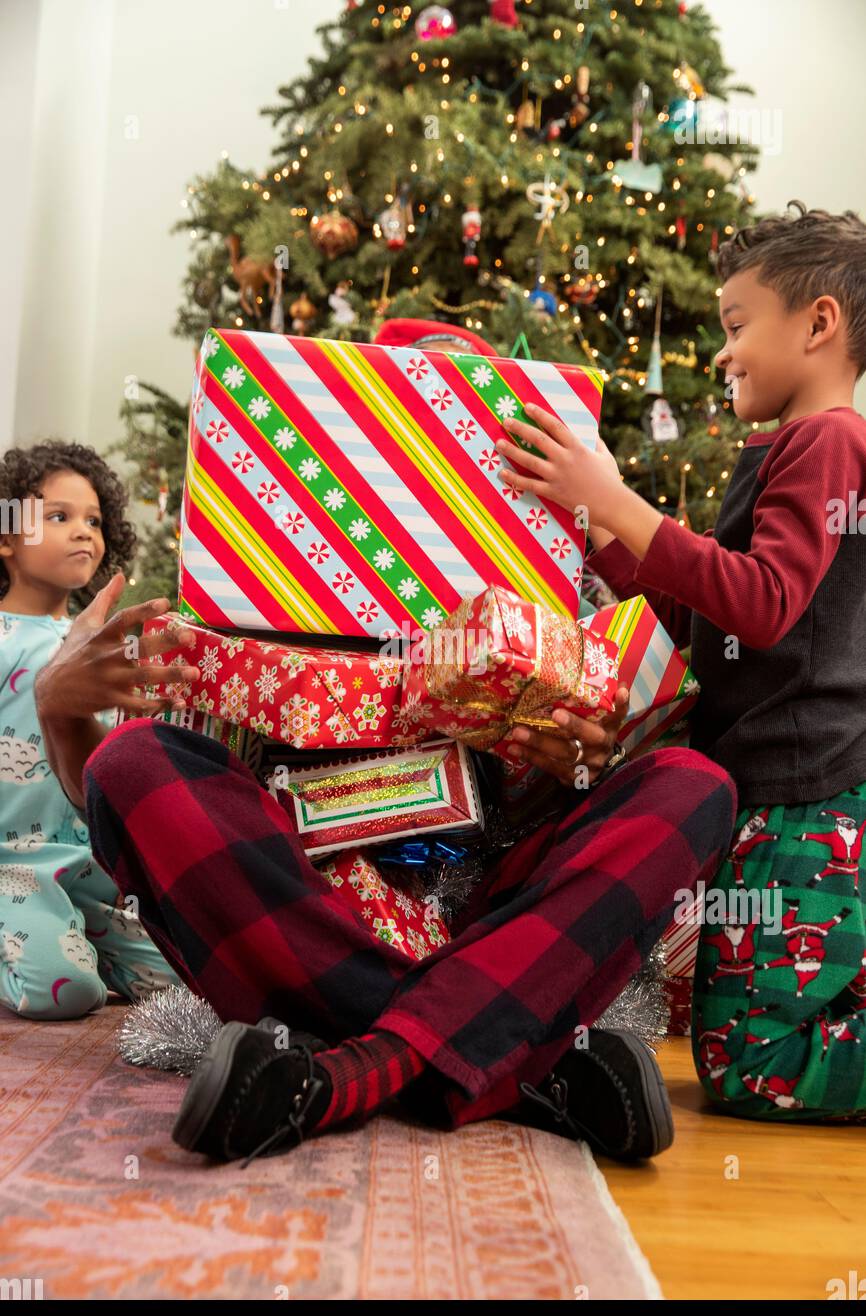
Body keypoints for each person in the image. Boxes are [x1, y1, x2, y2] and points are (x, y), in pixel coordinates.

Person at [34, 327, 737, 1164]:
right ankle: (513, 1066)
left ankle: (345, 1073)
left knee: (692, 786)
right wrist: (58, 712)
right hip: (311, 917)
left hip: (485, 917)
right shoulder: (248, 583)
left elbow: (590, 819)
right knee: (134, 764)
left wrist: (579, 761)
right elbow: (143, 815)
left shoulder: (560, 609)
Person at [497, 201, 866, 1121]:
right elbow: (697, 602)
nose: (724, 351)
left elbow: (763, 601)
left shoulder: (830, 440)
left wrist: (618, 504)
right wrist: (593, 531)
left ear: (819, 323)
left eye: (738, 326)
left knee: (750, 1065)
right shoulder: (790, 449)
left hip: (811, 789)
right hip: (775, 788)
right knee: (739, 1041)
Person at [0, 442, 193, 1019]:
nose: (84, 531)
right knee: (65, 992)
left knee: (182, 986)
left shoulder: (100, 647)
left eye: (94, 520)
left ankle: (70, 937)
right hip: (11, 863)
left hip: (87, 862)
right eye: (59, 517)